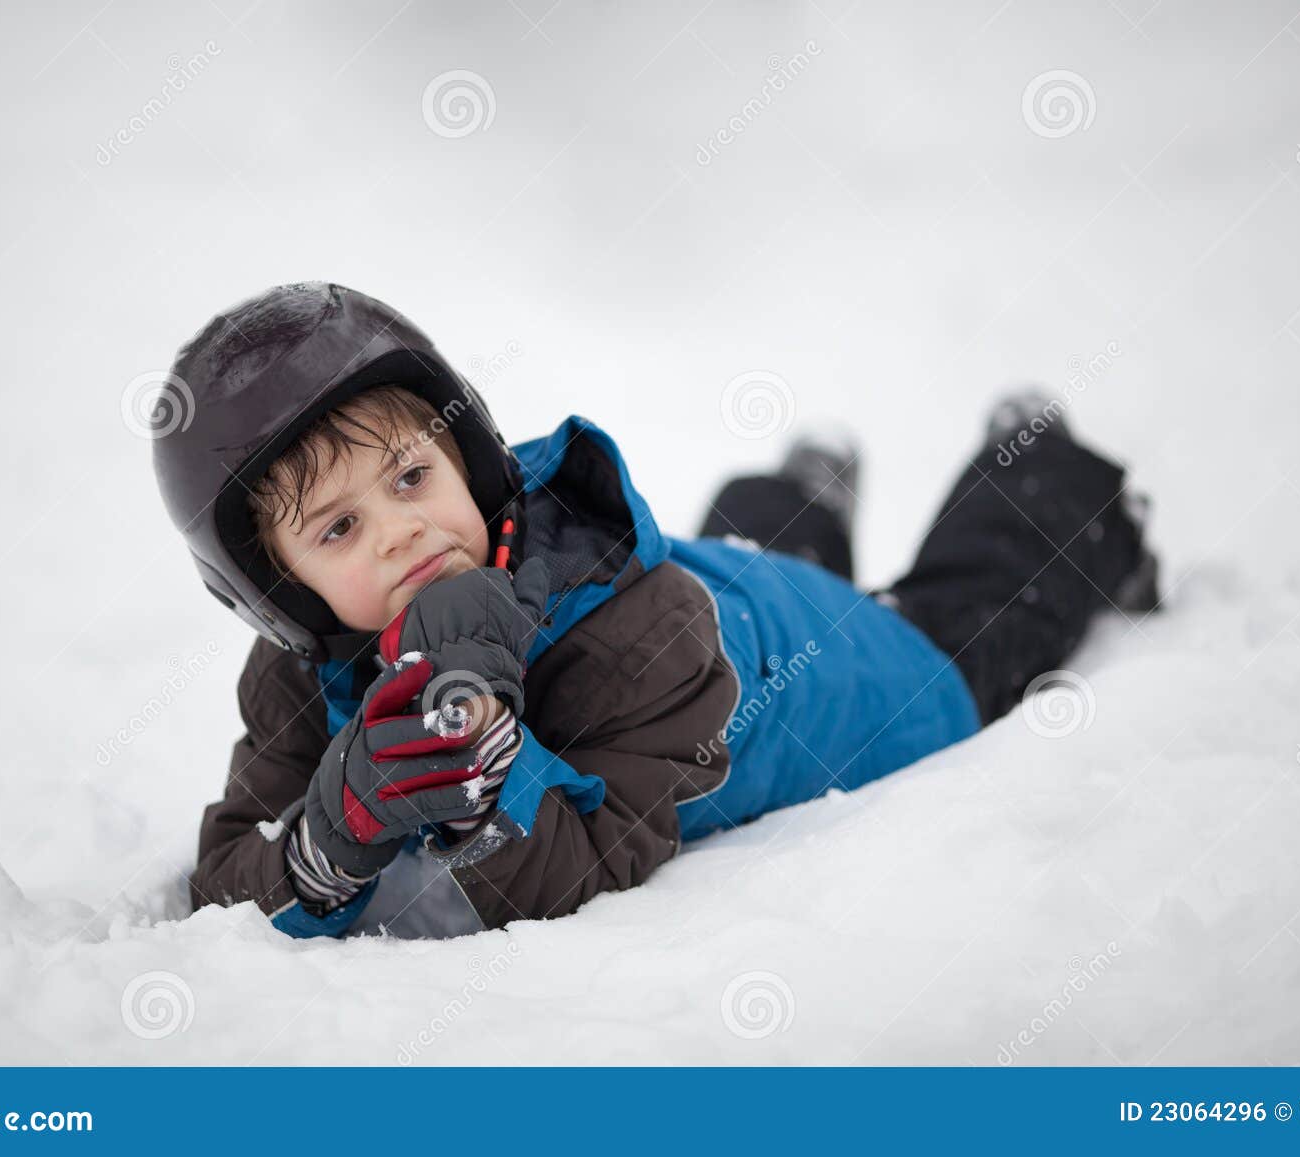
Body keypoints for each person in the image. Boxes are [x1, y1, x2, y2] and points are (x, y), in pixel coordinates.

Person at [152, 282, 1159, 940]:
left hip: (844, 669)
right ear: (281, 593)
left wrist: (483, 768)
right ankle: (801, 496)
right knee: (757, 551)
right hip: (736, 594)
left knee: (965, 613)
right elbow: (227, 877)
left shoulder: (639, 634)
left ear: (469, 458)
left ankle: (1041, 469)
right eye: (338, 528)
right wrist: (326, 843)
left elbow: (588, 868)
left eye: (412, 477)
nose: (400, 531)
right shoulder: (300, 673)